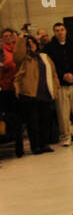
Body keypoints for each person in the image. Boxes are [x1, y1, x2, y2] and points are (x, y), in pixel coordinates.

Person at [47, 23, 73, 146]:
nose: (60, 32)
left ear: (65, 31)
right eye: (57, 30)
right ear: (54, 32)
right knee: (63, 113)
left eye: (62, 30)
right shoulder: (49, 48)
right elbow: (51, 65)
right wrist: (63, 75)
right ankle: (65, 136)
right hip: (60, 84)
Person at [14, 35, 58, 155]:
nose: (31, 44)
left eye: (32, 42)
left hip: (45, 93)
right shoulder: (24, 59)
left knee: (45, 120)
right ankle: (35, 146)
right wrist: (21, 39)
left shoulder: (44, 57)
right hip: (30, 94)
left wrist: (55, 88)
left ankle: (44, 143)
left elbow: (53, 73)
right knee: (33, 122)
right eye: (28, 43)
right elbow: (17, 54)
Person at [2, 27, 26, 155]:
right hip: (6, 90)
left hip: (20, 87)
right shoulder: (1, 52)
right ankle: (17, 148)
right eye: (4, 36)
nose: (7, 38)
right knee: (12, 118)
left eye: (9, 35)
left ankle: (20, 147)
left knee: (19, 118)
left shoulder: (17, 49)